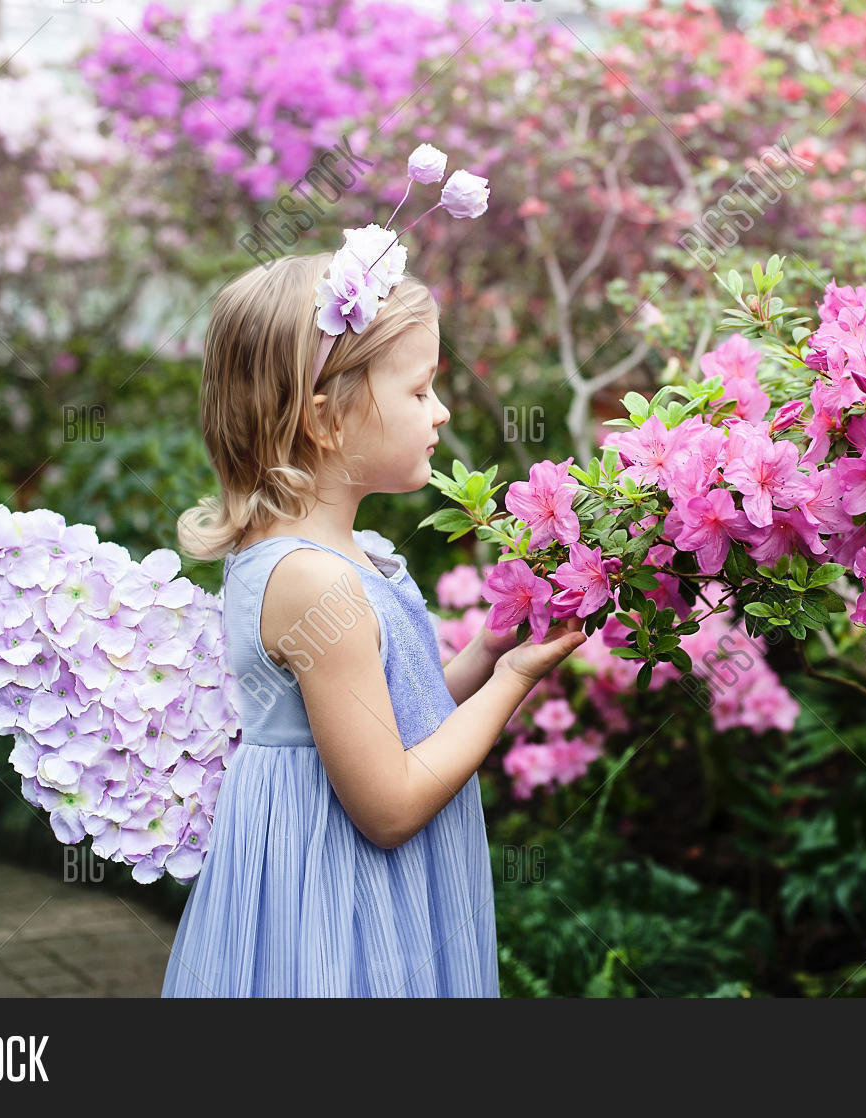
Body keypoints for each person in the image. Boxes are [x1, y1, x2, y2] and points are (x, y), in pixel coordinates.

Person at [160, 243, 586, 997]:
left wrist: (487, 650)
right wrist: (514, 681)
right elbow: (388, 805)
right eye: (420, 391)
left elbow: (400, 719)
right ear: (326, 419)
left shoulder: (350, 557)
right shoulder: (315, 584)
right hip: (344, 898)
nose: (441, 411)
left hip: (356, 877)